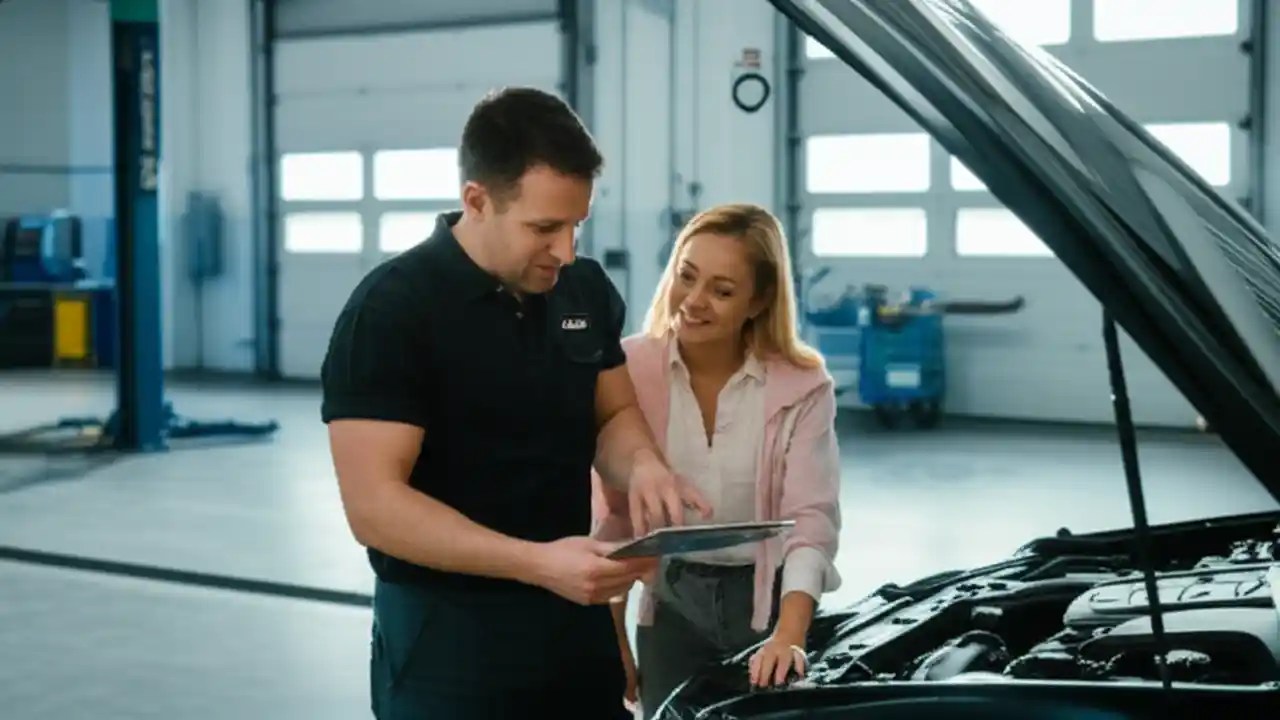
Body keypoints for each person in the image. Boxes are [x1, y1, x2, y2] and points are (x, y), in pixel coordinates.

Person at [320, 86, 710, 719]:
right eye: (544, 228)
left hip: (572, 612)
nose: (567, 251)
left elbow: (612, 414)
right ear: (476, 200)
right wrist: (533, 563)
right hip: (448, 637)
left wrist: (641, 464)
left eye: (576, 224)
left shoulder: (579, 290)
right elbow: (375, 507)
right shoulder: (392, 312)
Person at [591, 203, 843, 717]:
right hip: (670, 604)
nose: (694, 301)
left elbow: (811, 520)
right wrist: (612, 639)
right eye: (687, 276)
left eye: (722, 290)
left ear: (759, 301)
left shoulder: (803, 386)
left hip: (769, 602)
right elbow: (612, 521)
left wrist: (789, 635)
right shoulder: (628, 368)